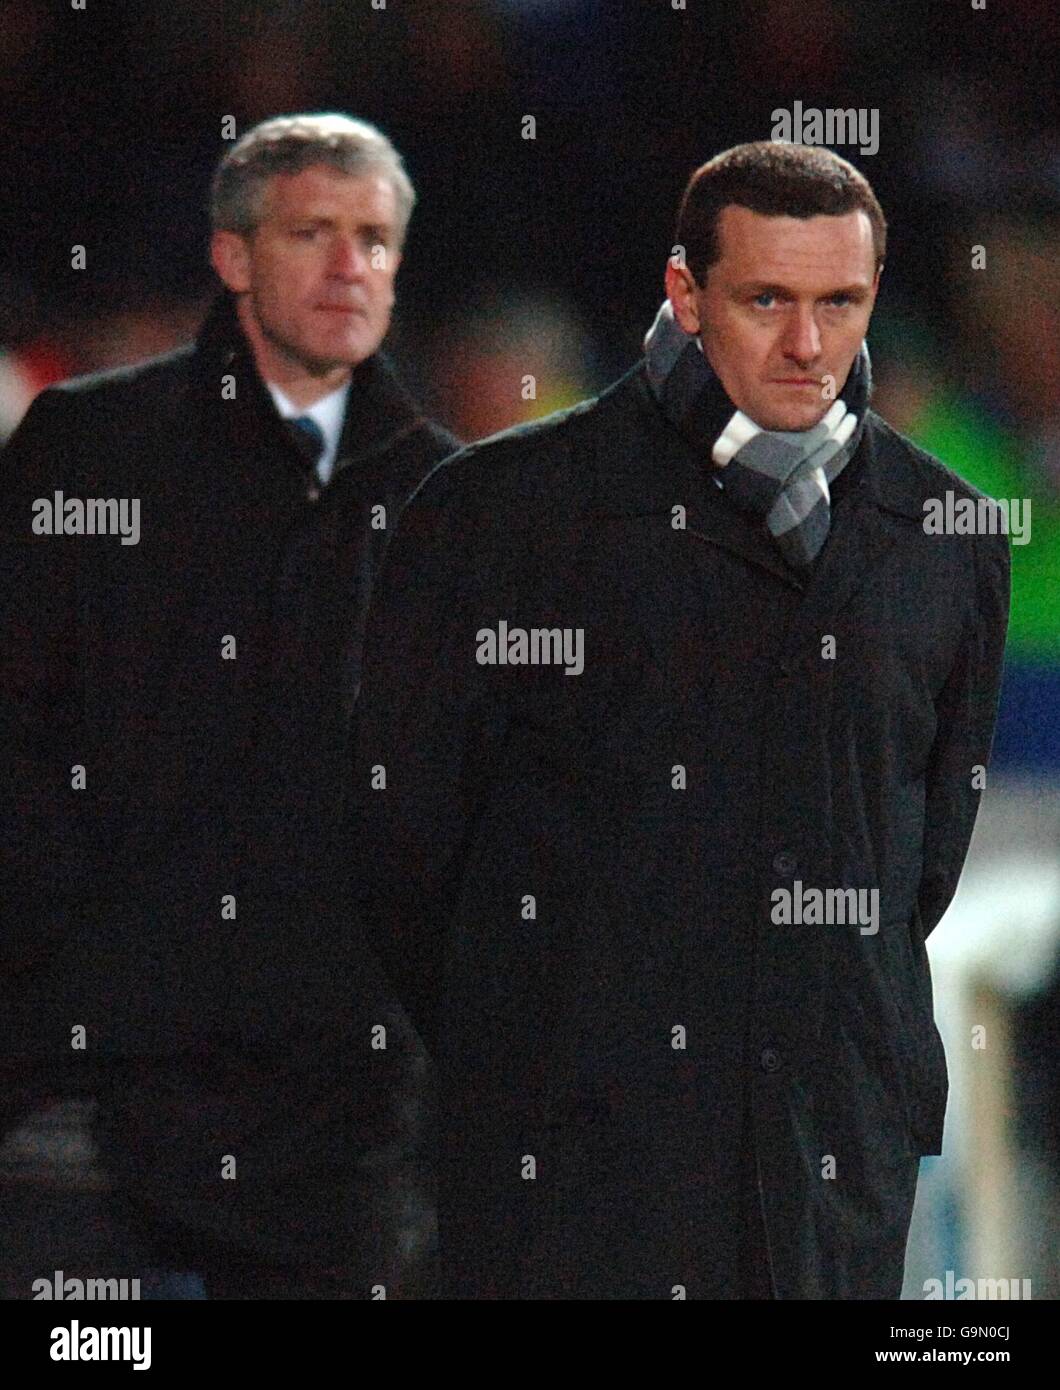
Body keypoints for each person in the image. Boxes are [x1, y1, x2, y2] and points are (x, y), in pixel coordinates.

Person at [346, 141, 1011, 1299]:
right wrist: (549, 1032)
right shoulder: (497, 516)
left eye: (839, 303)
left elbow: (920, 851)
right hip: (567, 1172)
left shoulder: (945, 534)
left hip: (826, 1162)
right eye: (766, 300)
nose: (806, 345)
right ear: (684, 293)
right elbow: (399, 854)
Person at [1, 113, 458, 1298]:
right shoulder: (89, 450)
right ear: (232, 256)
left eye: (374, 238)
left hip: (338, 1122)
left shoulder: (443, 500)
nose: (349, 266)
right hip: (87, 1097)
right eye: (311, 232)